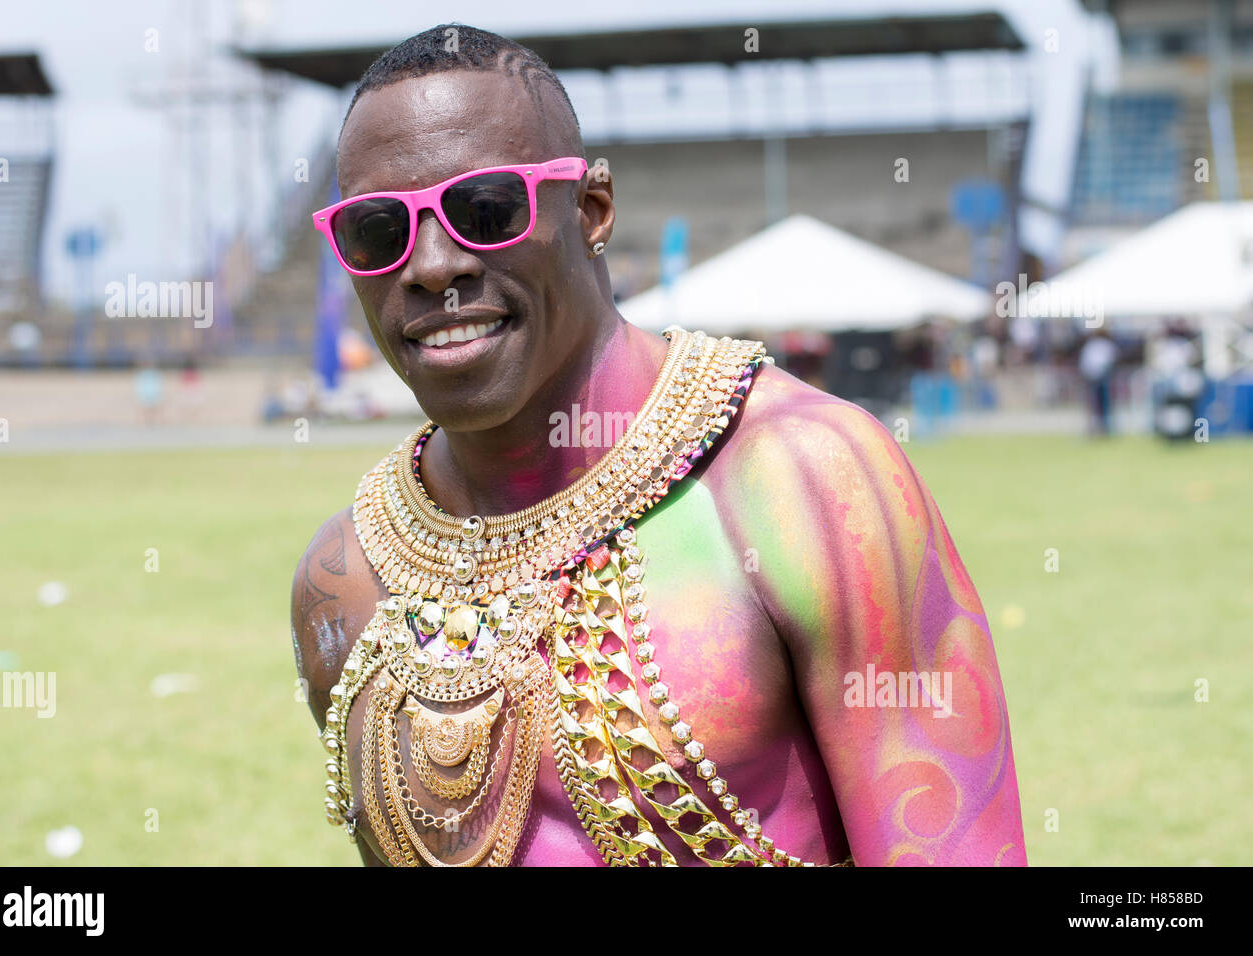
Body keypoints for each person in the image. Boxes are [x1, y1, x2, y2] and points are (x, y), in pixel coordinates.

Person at [290, 23, 1026, 867]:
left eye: (486, 210)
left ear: (592, 210)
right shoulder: (344, 578)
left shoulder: (805, 480)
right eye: (378, 230)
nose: (428, 265)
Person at [1078, 327, 1118, 436]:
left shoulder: (1094, 345)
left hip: (1098, 377)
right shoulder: (1100, 345)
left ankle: (1100, 428)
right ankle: (1099, 428)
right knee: (1099, 405)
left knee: (1097, 405)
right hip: (1096, 377)